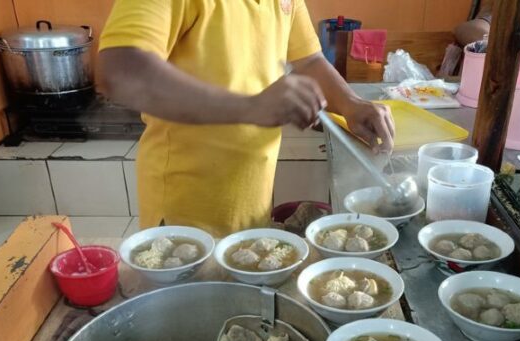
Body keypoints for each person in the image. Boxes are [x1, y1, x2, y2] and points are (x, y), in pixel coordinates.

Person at [98, 0, 395, 237]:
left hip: (250, 208)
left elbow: (309, 59)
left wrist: (351, 103)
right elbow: (122, 69)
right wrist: (250, 107)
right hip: (184, 218)